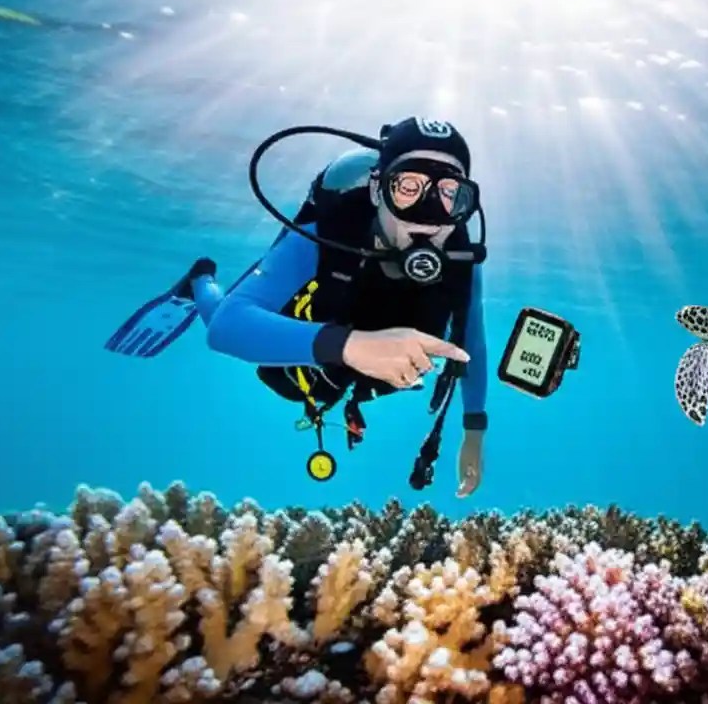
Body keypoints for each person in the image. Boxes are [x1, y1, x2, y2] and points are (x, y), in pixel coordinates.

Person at [105, 116, 490, 496]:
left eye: (448, 192)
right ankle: (200, 280)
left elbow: (470, 342)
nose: (428, 214)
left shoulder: (459, 259)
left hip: (361, 359)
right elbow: (227, 327)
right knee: (239, 335)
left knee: (336, 385)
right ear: (377, 189)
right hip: (308, 336)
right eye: (409, 186)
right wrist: (352, 346)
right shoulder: (328, 230)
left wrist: (474, 428)